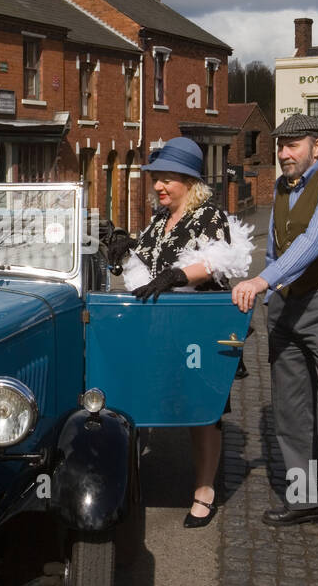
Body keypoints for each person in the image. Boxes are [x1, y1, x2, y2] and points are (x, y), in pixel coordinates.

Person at [230, 113, 318, 552]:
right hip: (287, 311)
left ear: (317, 146)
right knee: (291, 411)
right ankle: (307, 497)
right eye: (280, 145)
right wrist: (274, 298)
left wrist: (262, 282)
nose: (284, 153)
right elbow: (277, 245)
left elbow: (314, 240)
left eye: (293, 145)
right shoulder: (279, 187)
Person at [104, 137, 254, 529]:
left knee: (203, 410)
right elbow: (144, 275)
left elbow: (222, 260)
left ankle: (204, 490)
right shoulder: (158, 220)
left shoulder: (210, 216)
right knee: (146, 394)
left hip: (198, 325)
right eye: (157, 179)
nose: (159, 186)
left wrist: (179, 275)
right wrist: (123, 249)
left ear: (190, 181)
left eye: (167, 179)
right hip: (160, 325)